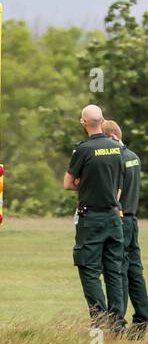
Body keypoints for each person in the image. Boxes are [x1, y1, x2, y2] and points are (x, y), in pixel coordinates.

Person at [64, 104, 127, 328]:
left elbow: (68, 184)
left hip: (91, 219)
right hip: (114, 217)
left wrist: (85, 182)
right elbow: (118, 185)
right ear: (101, 122)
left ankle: (100, 321)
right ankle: (117, 324)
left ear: (84, 123)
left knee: (89, 269)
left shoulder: (83, 150)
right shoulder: (117, 148)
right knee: (114, 271)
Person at [103, 120, 146, 334]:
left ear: (111, 137)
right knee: (134, 270)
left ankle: (117, 322)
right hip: (132, 219)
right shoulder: (133, 157)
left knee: (118, 270)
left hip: (119, 220)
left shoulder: (117, 159)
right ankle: (143, 317)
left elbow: (115, 194)